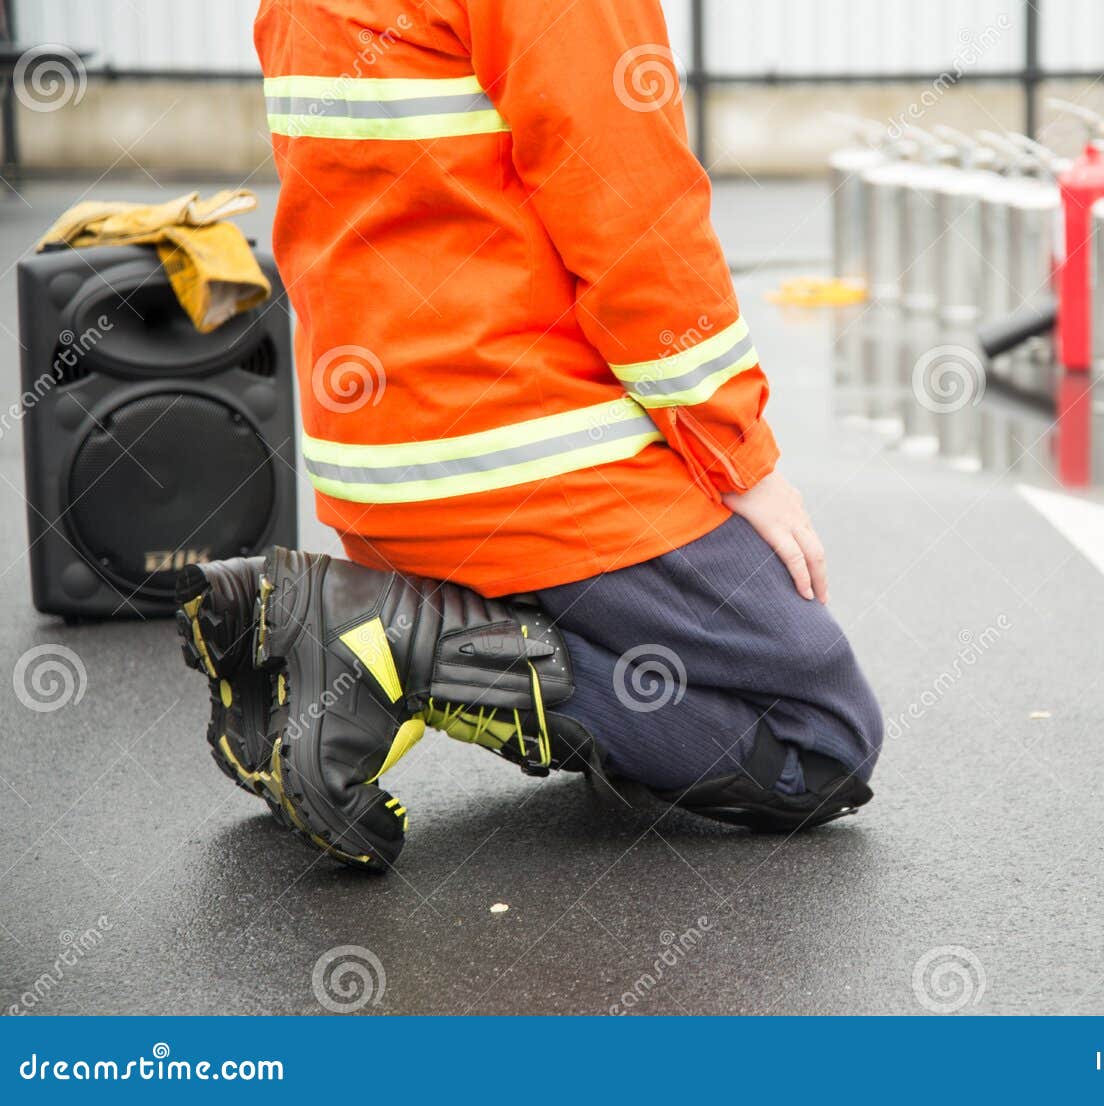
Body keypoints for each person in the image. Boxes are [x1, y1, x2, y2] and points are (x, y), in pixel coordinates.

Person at [173, 0, 882, 871]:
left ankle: (344, 670)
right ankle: (396, 645)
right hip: (528, 456)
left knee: (650, 676)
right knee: (820, 739)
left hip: (381, 469)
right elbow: (634, 218)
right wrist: (740, 457)